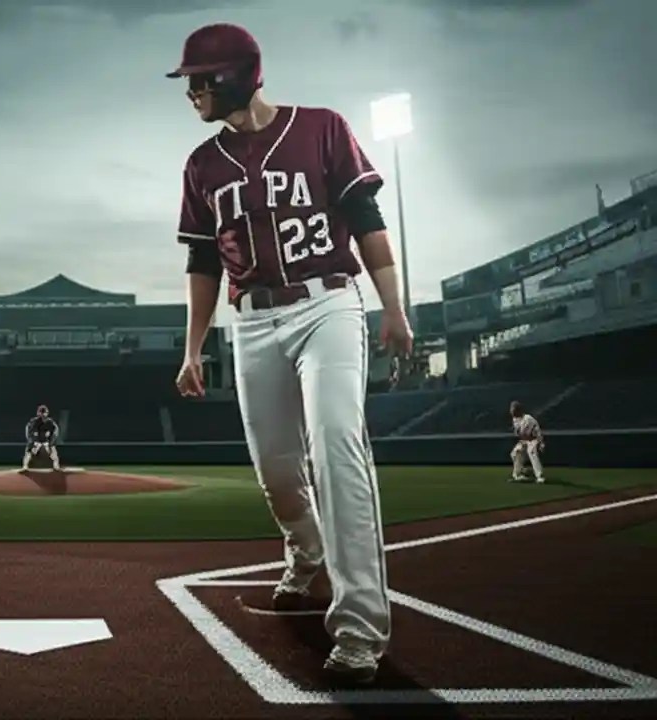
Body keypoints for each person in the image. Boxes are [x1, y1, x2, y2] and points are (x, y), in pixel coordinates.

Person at [168, 23, 414, 685]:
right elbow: (202, 262)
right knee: (278, 471)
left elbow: (366, 221)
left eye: (201, 78)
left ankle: (360, 628)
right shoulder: (202, 165)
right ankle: (305, 551)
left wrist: (392, 306)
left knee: (337, 442)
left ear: (238, 75)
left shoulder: (322, 128)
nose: (191, 91)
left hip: (328, 304)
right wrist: (194, 348)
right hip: (249, 322)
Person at [509, 401, 546, 483]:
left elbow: (537, 431)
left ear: (518, 410)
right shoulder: (515, 419)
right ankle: (519, 474)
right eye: (511, 409)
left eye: (513, 409)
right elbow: (519, 433)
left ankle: (540, 476)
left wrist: (541, 443)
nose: (511, 411)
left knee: (532, 452)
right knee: (514, 454)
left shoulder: (528, 419)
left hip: (534, 439)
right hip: (524, 440)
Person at [21, 404, 63, 471]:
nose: (43, 415)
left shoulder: (50, 422)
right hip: (36, 440)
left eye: (44, 412)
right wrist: (31, 441)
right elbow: (29, 432)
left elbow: (55, 431)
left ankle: (56, 466)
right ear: (38, 413)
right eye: (41, 412)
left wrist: (51, 442)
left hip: (46, 440)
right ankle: (25, 466)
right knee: (28, 451)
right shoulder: (34, 421)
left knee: (53, 451)